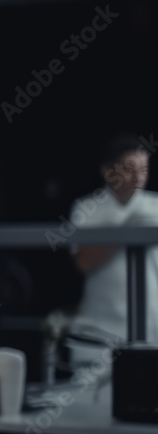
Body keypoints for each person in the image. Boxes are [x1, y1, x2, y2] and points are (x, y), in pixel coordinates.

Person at [67, 135, 158, 350]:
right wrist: (126, 231)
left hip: (152, 328)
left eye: (144, 169)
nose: (138, 177)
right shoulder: (86, 208)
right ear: (108, 171)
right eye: (130, 169)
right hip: (100, 330)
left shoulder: (156, 206)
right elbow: (84, 262)